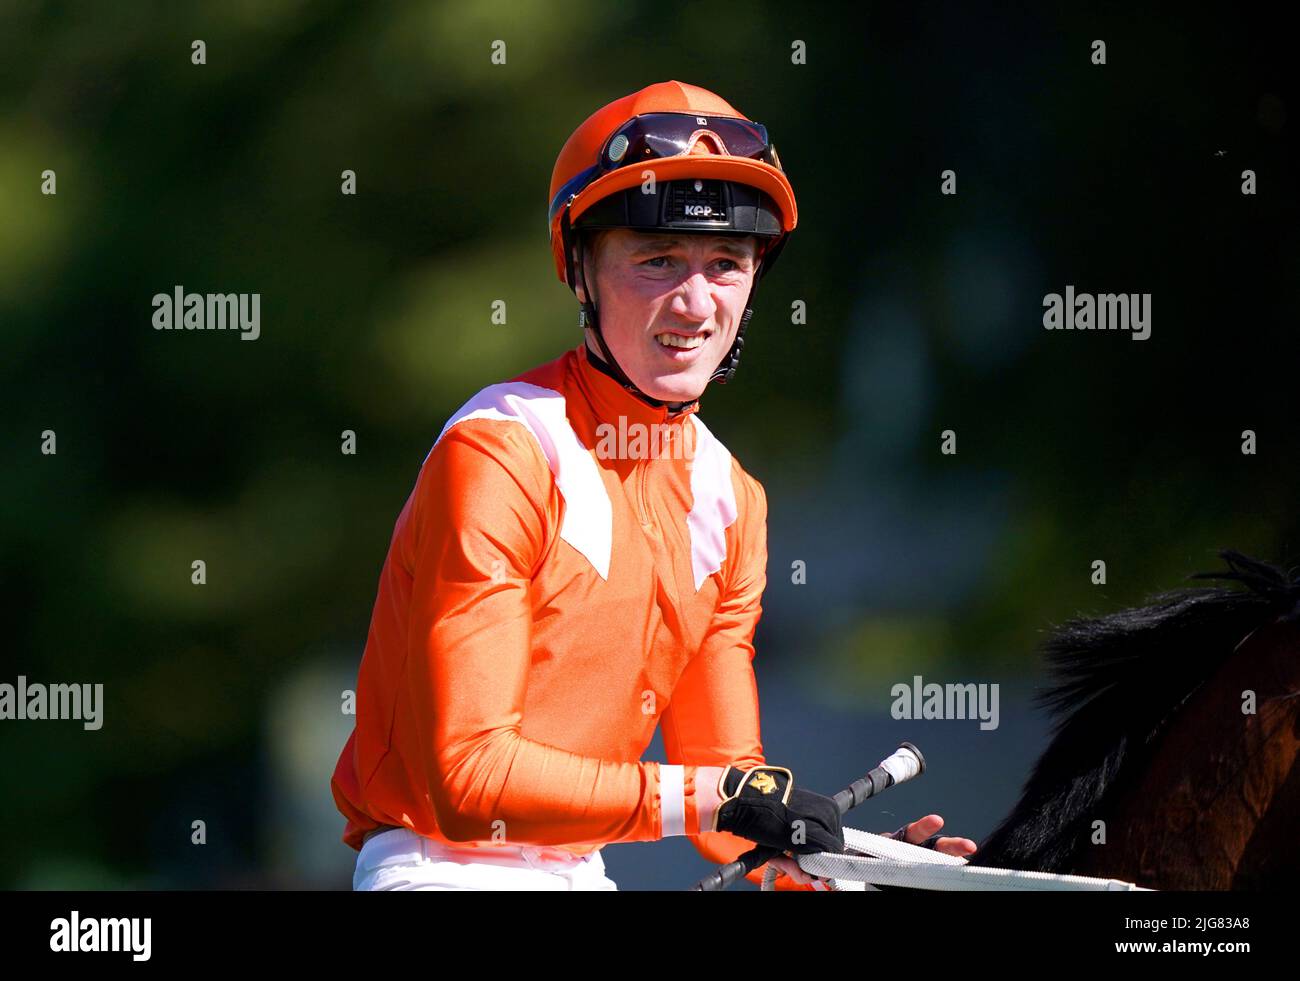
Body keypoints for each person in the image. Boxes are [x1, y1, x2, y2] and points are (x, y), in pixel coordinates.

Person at [331, 80, 976, 890]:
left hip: (581, 870)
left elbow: (723, 787)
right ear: (581, 273)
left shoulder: (732, 498)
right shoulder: (500, 451)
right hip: (437, 869)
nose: (696, 302)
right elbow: (472, 781)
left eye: (727, 263)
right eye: (658, 260)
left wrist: (826, 858)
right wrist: (725, 798)